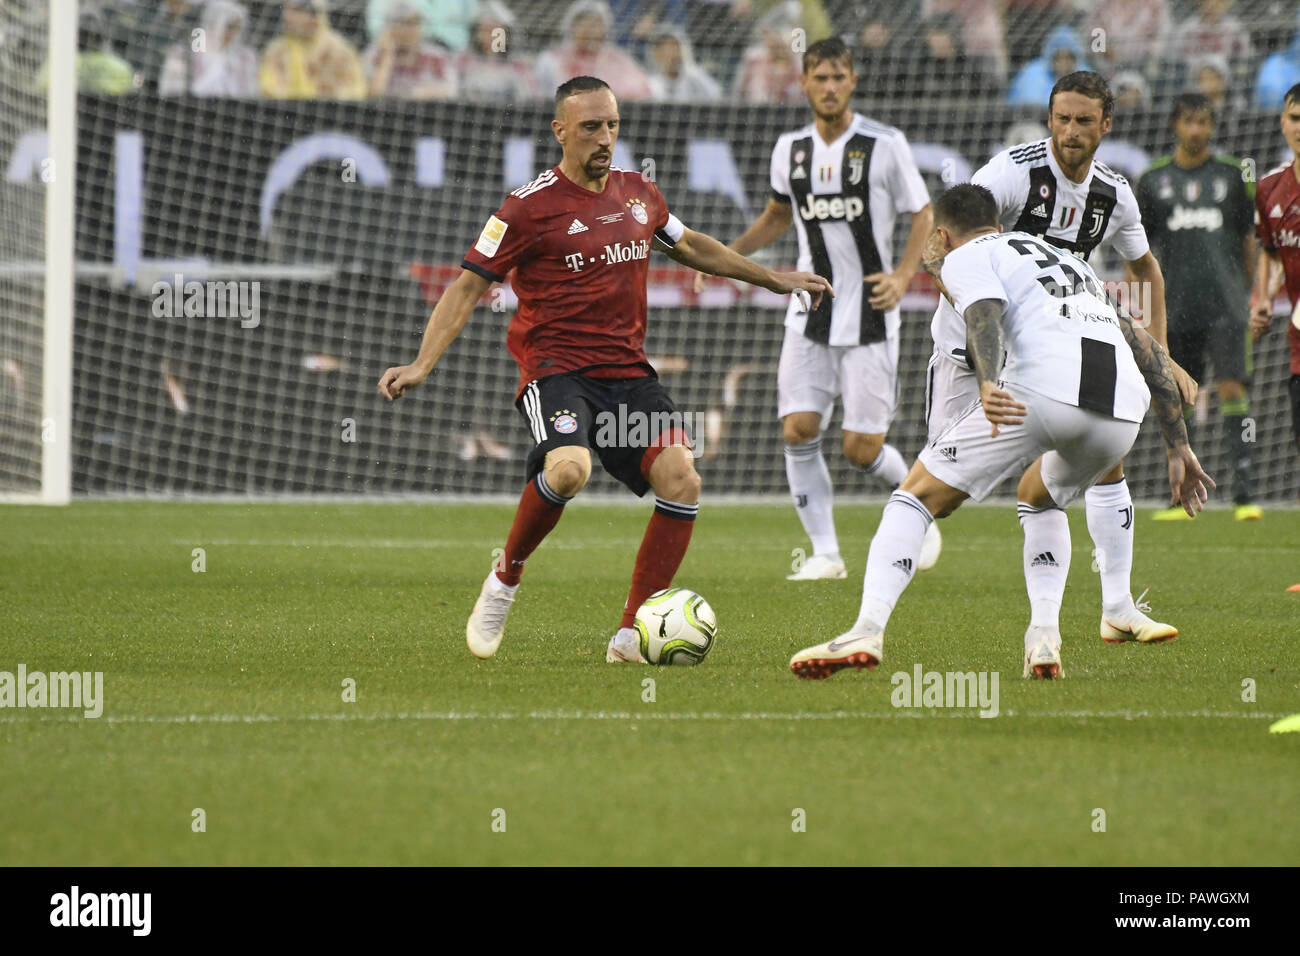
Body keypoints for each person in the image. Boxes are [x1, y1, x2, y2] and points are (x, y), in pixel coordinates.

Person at [377, 76, 832, 662]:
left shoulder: (638, 193)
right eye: (591, 126)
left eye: (612, 125)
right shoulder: (526, 207)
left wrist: (775, 278)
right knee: (569, 471)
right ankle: (504, 580)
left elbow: (689, 244)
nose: (605, 138)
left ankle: (628, 635)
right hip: (557, 371)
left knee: (683, 479)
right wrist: (421, 363)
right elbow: (466, 288)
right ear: (560, 131)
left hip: (629, 376)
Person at [789, 185, 1213, 681]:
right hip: (1123, 411)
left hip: (1043, 392)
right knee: (1038, 495)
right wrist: (1178, 444)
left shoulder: (966, 255)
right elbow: (1141, 344)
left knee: (917, 496)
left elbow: (981, 313)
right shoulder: (1063, 259)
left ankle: (864, 630)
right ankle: (1043, 637)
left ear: (941, 234)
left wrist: (988, 382)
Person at [922, 71, 1197, 646]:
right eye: (1061, 119)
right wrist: (978, 327)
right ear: (1049, 119)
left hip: (1058, 346)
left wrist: (1161, 355)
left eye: (1083, 121)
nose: (1070, 132)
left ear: (1107, 125)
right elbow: (945, 243)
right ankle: (911, 522)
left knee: (1105, 452)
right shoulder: (1012, 173)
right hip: (971, 342)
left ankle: (1117, 607)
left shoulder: (1115, 195)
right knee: (939, 497)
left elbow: (1146, 268)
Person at [697, 37, 937, 581]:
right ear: (803, 83)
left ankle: (921, 508)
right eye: (819, 78)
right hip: (810, 307)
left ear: (852, 82)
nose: (828, 87)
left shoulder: (885, 144)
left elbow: (921, 213)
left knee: (861, 447)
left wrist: (903, 276)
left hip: (872, 309)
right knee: (799, 428)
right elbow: (778, 217)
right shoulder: (790, 149)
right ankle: (826, 554)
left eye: (838, 77)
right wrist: (725, 257)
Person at [1137, 93, 1260, 520]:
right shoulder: (1153, 179)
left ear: (1212, 127)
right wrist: (1143, 305)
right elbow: (1139, 250)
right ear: (1175, 124)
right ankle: (1178, 495)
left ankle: (1244, 497)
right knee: (1178, 395)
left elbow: (1248, 239)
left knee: (1232, 389)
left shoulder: (1233, 175)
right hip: (1176, 306)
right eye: (1189, 121)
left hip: (1226, 304)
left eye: (1204, 122)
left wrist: (1249, 293)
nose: (1196, 130)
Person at [1249, 83, 1300, 503]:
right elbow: (1271, 251)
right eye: (1295, 118)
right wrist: (1263, 299)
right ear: (1283, 123)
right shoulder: (1269, 188)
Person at [535, 1, 654, 102]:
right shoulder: (552, 59)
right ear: (572, 27)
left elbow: (643, 91)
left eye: (598, 25)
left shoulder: (616, 58)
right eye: (587, 26)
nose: (594, 32)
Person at [259, 0, 367, 99]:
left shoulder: (339, 52)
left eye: (296, 11)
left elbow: (355, 91)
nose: (286, 17)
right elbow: (268, 91)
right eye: (286, 10)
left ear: (314, 16)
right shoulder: (276, 52)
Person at [160, 0, 259, 98]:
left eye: (236, 28)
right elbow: (171, 90)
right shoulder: (185, 51)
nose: (232, 34)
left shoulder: (245, 57)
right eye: (229, 27)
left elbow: (249, 95)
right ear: (215, 22)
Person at [363, 0, 458, 99]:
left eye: (416, 23)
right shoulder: (374, 55)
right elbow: (373, 96)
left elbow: (451, 90)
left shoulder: (435, 56)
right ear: (390, 27)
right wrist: (387, 57)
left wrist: (415, 93)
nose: (411, 29)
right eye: (404, 23)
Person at [454, 1, 539, 102]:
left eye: (498, 32)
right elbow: (453, 93)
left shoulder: (518, 66)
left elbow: (530, 98)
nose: (492, 37)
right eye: (486, 30)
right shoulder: (463, 62)